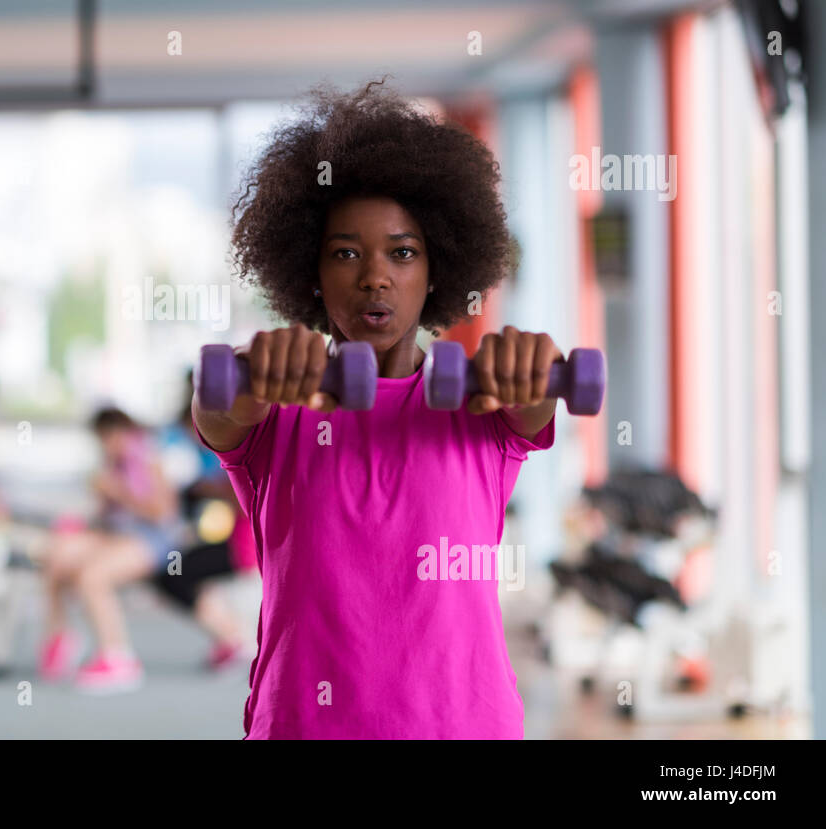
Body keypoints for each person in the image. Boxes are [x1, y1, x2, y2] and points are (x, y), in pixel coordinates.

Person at [191, 77, 560, 739]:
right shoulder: (276, 407)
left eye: (402, 252)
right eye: (345, 254)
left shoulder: (483, 401)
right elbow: (217, 406)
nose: (375, 276)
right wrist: (258, 369)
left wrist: (533, 364)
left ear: (437, 268)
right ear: (310, 271)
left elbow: (535, 405)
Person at [38, 407, 182, 692]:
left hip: (155, 541)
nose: (105, 444)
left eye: (107, 437)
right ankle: (61, 637)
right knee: (57, 553)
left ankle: (118, 659)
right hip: (116, 535)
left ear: (123, 433)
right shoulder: (110, 462)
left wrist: (118, 493)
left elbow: (162, 513)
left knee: (92, 576)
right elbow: (108, 518)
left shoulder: (149, 459)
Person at [152, 373, 258, 671]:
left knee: (173, 574)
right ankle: (232, 636)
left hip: (243, 543)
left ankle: (235, 637)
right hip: (222, 534)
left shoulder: (235, 441)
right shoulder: (185, 445)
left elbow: (240, 498)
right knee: (175, 571)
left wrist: (203, 486)